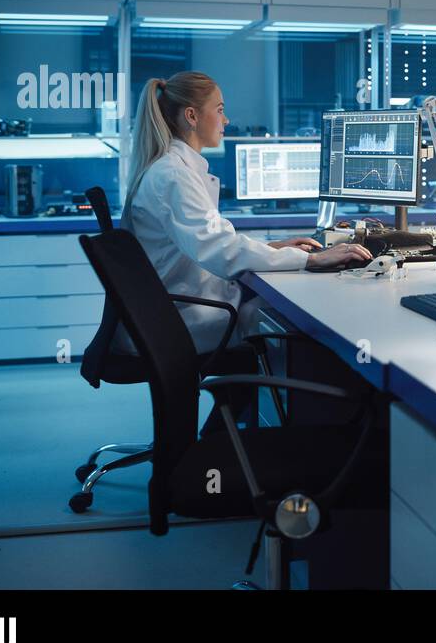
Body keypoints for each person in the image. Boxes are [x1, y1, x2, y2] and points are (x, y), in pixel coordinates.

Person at [117, 71, 372, 429]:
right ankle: (285, 438)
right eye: (219, 110)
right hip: (179, 320)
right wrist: (310, 258)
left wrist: (275, 248)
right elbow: (220, 249)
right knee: (288, 323)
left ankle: (228, 433)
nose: (226, 120)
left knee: (274, 312)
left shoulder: (173, 170)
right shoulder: (173, 175)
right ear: (191, 116)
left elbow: (212, 243)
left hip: (172, 310)